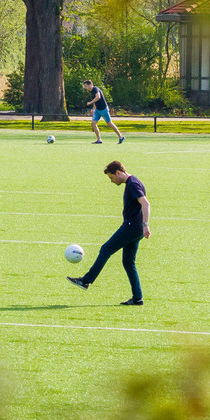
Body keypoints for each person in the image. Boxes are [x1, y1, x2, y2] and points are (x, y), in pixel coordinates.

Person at [67, 160, 150, 305]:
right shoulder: (133, 181)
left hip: (132, 227)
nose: (112, 181)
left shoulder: (132, 184)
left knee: (106, 249)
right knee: (128, 262)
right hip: (135, 228)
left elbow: (146, 203)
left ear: (118, 173)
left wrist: (145, 225)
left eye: (112, 178)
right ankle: (138, 298)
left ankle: (85, 281)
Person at [83, 78, 124, 144]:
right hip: (98, 110)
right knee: (93, 123)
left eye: (86, 86)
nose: (85, 88)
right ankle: (99, 140)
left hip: (104, 109)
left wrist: (90, 102)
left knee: (110, 124)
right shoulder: (92, 92)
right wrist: (93, 109)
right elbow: (96, 101)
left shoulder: (95, 89)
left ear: (90, 84)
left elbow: (98, 97)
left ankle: (120, 137)